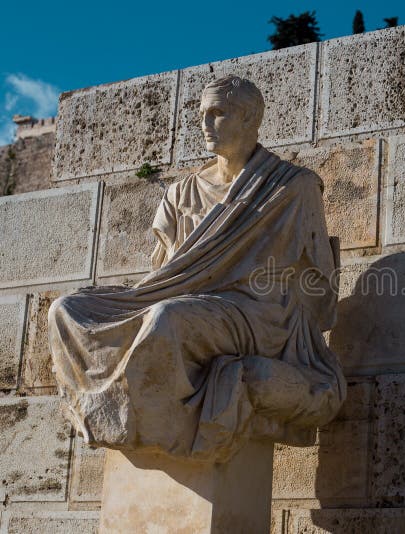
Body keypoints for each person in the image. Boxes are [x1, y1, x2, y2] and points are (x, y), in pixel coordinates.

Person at [48, 75, 346, 461]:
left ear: (250, 118)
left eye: (218, 113)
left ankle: (162, 425)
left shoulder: (293, 186)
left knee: (167, 319)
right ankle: (115, 413)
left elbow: (318, 288)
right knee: (67, 309)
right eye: (203, 114)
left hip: (256, 315)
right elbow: (164, 275)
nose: (206, 125)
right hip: (184, 299)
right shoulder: (181, 192)